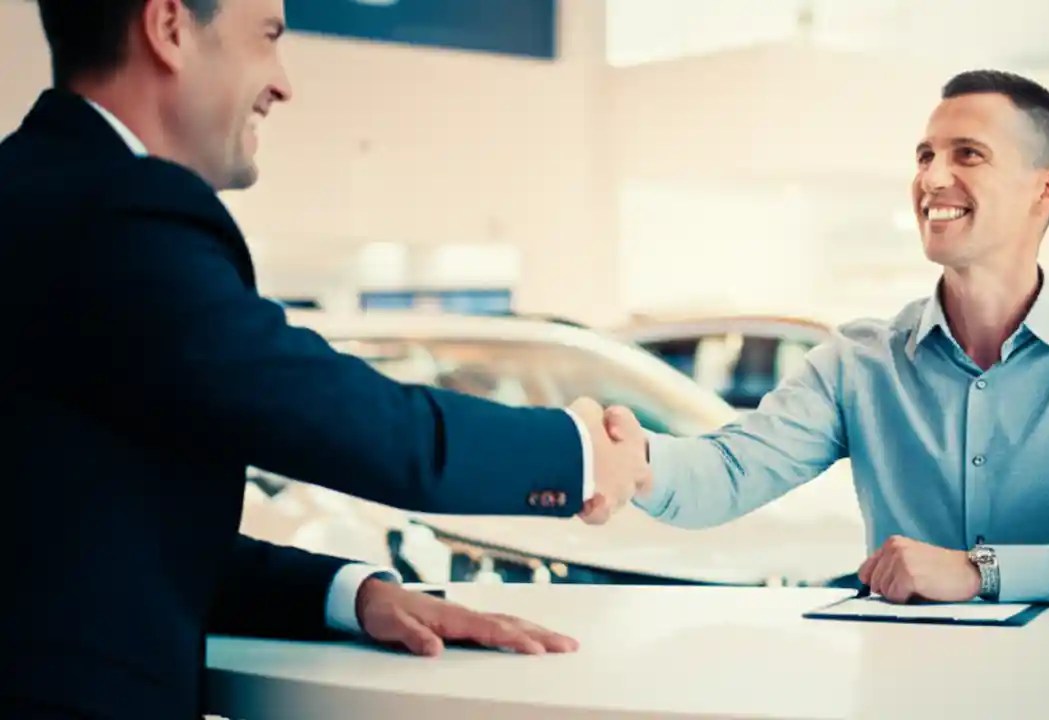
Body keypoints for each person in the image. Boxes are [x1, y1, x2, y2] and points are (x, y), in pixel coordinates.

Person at [0, 1, 649, 717]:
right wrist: (579, 454)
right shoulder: (114, 212)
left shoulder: (36, 189)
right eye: (268, 38)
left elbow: (97, 543)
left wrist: (353, 596)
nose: (284, 84)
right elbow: (338, 413)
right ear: (170, 28)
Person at [600, 69, 1049, 606]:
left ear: (1047, 188)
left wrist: (980, 570)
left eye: (968, 154)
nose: (931, 179)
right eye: (926, 155)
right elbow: (731, 471)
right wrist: (641, 465)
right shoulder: (859, 364)